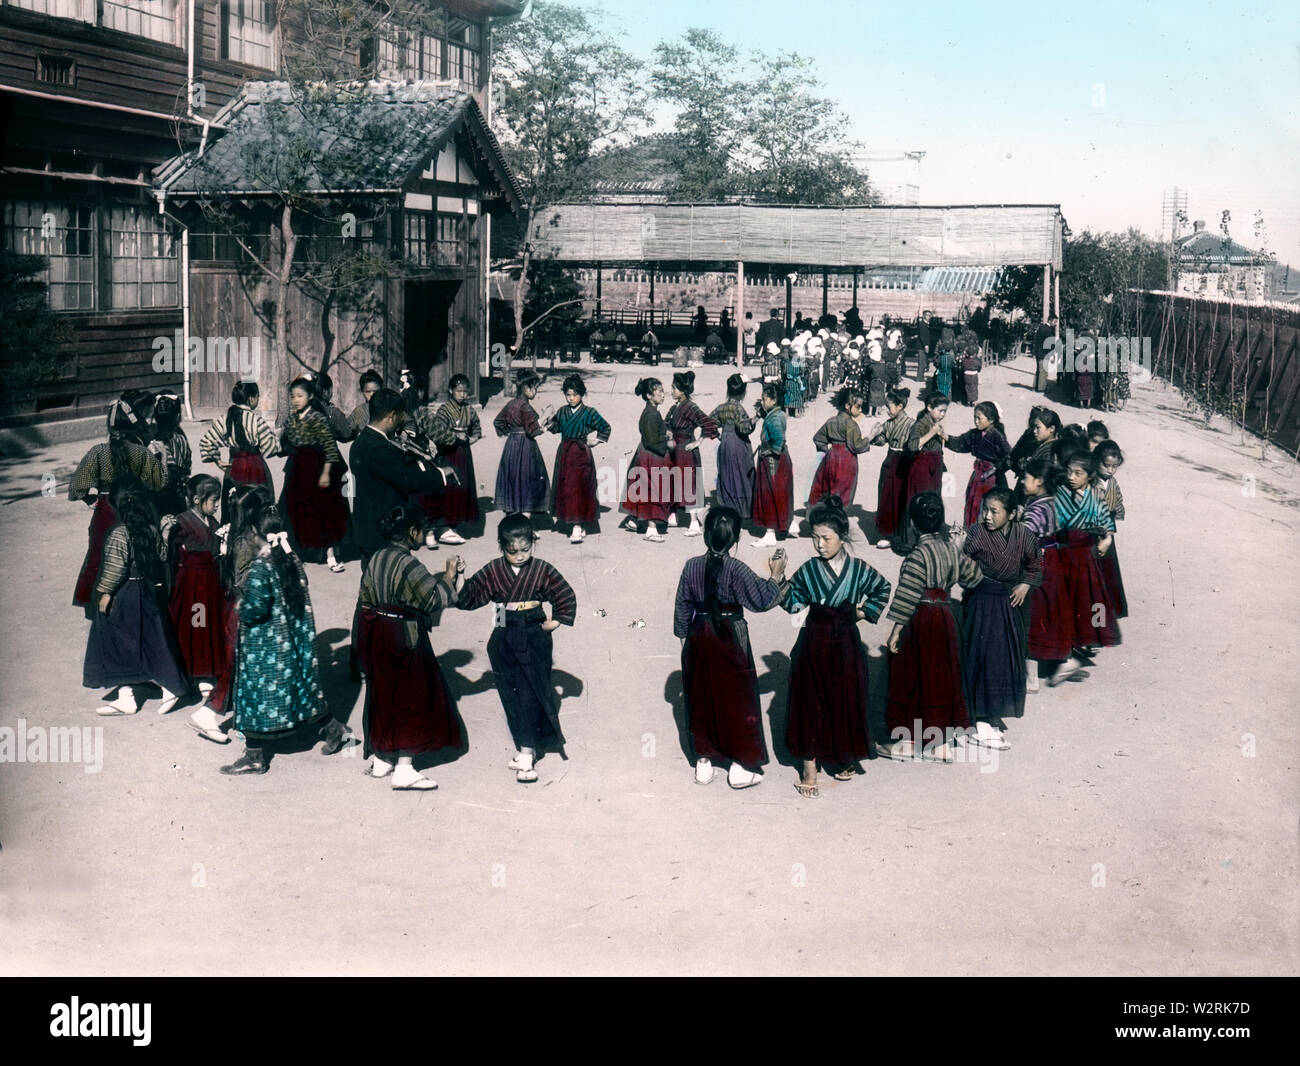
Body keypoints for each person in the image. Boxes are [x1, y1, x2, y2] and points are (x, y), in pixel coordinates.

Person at [219, 507, 353, 774]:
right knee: (302, 689)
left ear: (257, 534)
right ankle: (333, 729)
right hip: (290, 641)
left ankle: (255, 756)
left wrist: (240, 607)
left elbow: (255, 608)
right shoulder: (292, 560)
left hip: (264, 648)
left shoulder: (260, 567)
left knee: (255, 697)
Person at [783, 495, 892, 798]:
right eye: (815, 538)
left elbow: (882, 587)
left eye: (826, 538)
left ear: (842, 537)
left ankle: (844, 755)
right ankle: (809, 765)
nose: (819, 545)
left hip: (846, 641)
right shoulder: (808, 570)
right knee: (811, 701)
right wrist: (779, 579)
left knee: (845, 697)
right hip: (814, 641)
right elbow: (792, 604)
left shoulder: (857, 569)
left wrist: (861, 612)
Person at [673, 506, 789, 789]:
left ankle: (703, 762)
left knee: (701, 697)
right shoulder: (736, 569)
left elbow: (681, 607)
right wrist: (776, 574)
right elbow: (761, 600)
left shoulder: (691, 566)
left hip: (699, 637)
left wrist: (686, 640)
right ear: (735, 539)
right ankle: (739, 765)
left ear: (705, 535)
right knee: (738, 699)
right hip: (731, 638)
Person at [457, 514, 577, 783]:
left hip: (533, 633)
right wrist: (461, 577)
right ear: (502, 547)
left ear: (533, 543)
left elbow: (565, 594)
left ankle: (527, 753)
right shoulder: (494, 570)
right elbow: (470, 597)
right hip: (503, 635)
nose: (520, 556)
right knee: (510, 694)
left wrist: (554, 622)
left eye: (525, 549)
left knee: (529, 693)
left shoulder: (542, 569)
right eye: (512, 551)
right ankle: (526, 745)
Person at [356, 505, 465, 791]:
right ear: (412, 533)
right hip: (405, 635)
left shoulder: (376, 558)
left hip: (377, 632)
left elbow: (365, 600)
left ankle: (382, 757)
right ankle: (405, 767)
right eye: (422, 529)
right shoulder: (409, 563)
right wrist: (450, 575)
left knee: (383, 695)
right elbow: (433, 600)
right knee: (412, 697)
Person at [883, 492, 984, 761]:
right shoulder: (951, 549)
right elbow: (973, 577)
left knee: (913, 678)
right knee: (942, 679)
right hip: (947, 619)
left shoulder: (916, 556)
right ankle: (940, 745)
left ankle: (907, 743)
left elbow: (906, 595)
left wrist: (895, 632)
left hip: (922, 620)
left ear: (913, 525)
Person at [83, 480, 189, 717]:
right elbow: (161, 555)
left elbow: (115, 569)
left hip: (124, 594)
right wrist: (164, 532)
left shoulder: (119, 534)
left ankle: (137, 693)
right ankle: (140, 692)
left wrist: (105, 593)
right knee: (149, 640)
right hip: (146, 591)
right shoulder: (149, 529)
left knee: (116, 640)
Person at [960, 488, 1041, 750]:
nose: (986, 516)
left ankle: (993, 715)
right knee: (983, 656)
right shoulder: (976, 534)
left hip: (1009, 602)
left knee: (1005, 658)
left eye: (994, 512)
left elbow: (1035, 565)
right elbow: (962, 564)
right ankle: (980, 720)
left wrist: (1025, 585)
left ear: (1012, 514)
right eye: (985, 510)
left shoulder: (1025, 536)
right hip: (982, 600)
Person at [192, 482, 271, 743]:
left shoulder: (242, 534)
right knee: (235, 667)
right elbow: (244, 580)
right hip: (241, 613)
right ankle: (208, 713)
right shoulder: (246, 541)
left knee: (237, 666)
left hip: (237, 610)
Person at [69, 396, 164, 612]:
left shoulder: (98, 452)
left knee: (100, 553)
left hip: (106, 510)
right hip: (136, 506)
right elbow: (158, 482)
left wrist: (90, 499)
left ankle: (98, 601)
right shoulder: (141, 452)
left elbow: (77, 487)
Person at [164, 474, 228, 702]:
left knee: (209, 626)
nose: (217, 504)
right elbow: (167, 551)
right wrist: (166, 531)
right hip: (193, 587)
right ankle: (198, 673)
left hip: (210, 585)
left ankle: (207, 671)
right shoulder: (181, 522)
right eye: (214, 500)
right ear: (197, 500)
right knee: (197, 626)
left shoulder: (213, 523)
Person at [198, 382, 280, 519]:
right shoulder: (256, 420)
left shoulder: (225, 419)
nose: (257, 400)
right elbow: (271, 448)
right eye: (257, 396)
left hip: (234, 467)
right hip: (256, 467)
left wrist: (217, 460)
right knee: (258, 507)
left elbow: (206, 442)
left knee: (234, 508)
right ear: (251, 399)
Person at [547, 373, 612, 544]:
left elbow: (605, 427)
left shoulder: (589, 412)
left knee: (579, 488)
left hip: (581, 453)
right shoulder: (562, 411)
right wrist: (547, 423)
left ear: (582, 394)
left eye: (575, 394)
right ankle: (575, 522)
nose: (571, 398)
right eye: (568, 395)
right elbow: (556, 428)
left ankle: (577, 525)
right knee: (566, 488)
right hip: (565, 452)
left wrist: (596, 441)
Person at [419, 374, 482, 545]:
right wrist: (455, 437)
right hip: (448, 454)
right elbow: (439, 433)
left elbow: (477, 429)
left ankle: (456, 522)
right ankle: (445, 525)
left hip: (463, 453)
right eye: (459, 391)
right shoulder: (444, 410)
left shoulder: (470, 410)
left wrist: (469, 441)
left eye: (465, 392)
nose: (462, 395)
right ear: (451, 391)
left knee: (463, 485)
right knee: (450, 486)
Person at [664, 371, 720, 537]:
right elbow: (666, 423)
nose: (671, 390)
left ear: (682, 391)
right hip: (674, 449)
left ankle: (694, 522)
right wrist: (668, 433)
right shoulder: (674, 407)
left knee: (689, 484)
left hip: (687, 450)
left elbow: (709, 424)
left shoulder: (691, 407)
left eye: (674, 388)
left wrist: (698, 442)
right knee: (673, 480)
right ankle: (673, 515)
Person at [893, 391, 950, 554]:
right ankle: (913, 540)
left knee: (933, 502)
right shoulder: (920, 425)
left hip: (934, 468)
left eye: (945, 411)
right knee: (919, 502)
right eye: (940, 410)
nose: (943, 414)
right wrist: (931, 433)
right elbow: (912, 445)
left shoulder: (934, 422)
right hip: (921, 470)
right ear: (929, 407)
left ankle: (931, 539)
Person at [621, 377, 674, 542]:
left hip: (647, 454)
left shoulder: (652, 411)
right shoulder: (651, 414)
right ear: (649, 395)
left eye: (662, 390)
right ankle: (651, 529)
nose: (662, 394)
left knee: (645, 489)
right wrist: (668, 441)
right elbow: (652, 440)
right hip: (652, 455)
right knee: (653, 490)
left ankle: (635, 520)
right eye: (658, 391)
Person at [945, 400, 1012, 527]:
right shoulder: (975, 434)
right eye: (974, 418)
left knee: (987, 507)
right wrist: (944, 436)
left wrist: (995, 469)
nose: (976, 421)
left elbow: (1008, 458)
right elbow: (961, 443)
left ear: (991, 420)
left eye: (979, 418)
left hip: (992, 479)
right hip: (978, 476)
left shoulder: (997, 436)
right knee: (973, 504)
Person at [493, 370, 549, 518]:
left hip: (511, 445)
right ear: (525, 388)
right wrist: (544, 423)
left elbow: (498, 421)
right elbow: (533, 430)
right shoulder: (526, 407)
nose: (535, 391)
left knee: (512, 480)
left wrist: (509, 432)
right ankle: (526, 524)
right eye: (534, 387)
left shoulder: (511, 404)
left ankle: (511, 520)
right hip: (526, 446)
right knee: (528, 481)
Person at [808, 387, 870, 512]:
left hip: (831, 458)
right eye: (858, 406)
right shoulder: (851, 425)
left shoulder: (831, 421)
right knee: (843, 493)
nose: (860, 410)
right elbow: (857, 446)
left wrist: (828, 452)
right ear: (848, 405)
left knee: (827, 489)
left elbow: (818, 439)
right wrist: (870, 437)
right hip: (846, 461)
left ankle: (824, 518)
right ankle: (837, 521)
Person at [751, 383, 794, 548]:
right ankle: (784, 525)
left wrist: (767, 452)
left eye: (764, 399)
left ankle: (770, 533)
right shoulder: (778, 413)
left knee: (769, 495)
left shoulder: (774, 418)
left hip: (772, 462)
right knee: (781, 493)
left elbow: (778, 441)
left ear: (774, 399)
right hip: (781, 460)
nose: (762, 402)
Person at [709, 374, 756, 517]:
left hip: (725, 443)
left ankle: (728, 507)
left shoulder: (721, 408)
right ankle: (741, 511)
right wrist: (756, 418)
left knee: (727, 475)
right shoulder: (739, 409)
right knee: (741, 476)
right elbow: (745, 428)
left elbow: (709, 423)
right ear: (743, 392)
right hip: (738, 444)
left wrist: (720, 436)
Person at [1092, 440, 1128, 619]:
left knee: (1107, 576)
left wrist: (1116, 514)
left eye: (1114, 467)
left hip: (1107, 532)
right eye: (1107, 465)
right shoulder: (1090, 481)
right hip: (1092, 534)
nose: (1110, 470)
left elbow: (1118, 501)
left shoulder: (1112, 483)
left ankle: (1104, 619)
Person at [149, 392, 192, 517]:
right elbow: (186, 463)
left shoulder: (156, 441)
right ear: (178, 415)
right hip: (180, 493)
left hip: (164, 497)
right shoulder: (180, 436)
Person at [348, 370, 384, 439]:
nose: (372, 394)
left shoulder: (389, 407)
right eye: (368, 391)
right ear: (362, 392)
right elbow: (347, 431)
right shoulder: (358, 411)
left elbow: (408, 423)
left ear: (381, 389)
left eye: (375, 391)